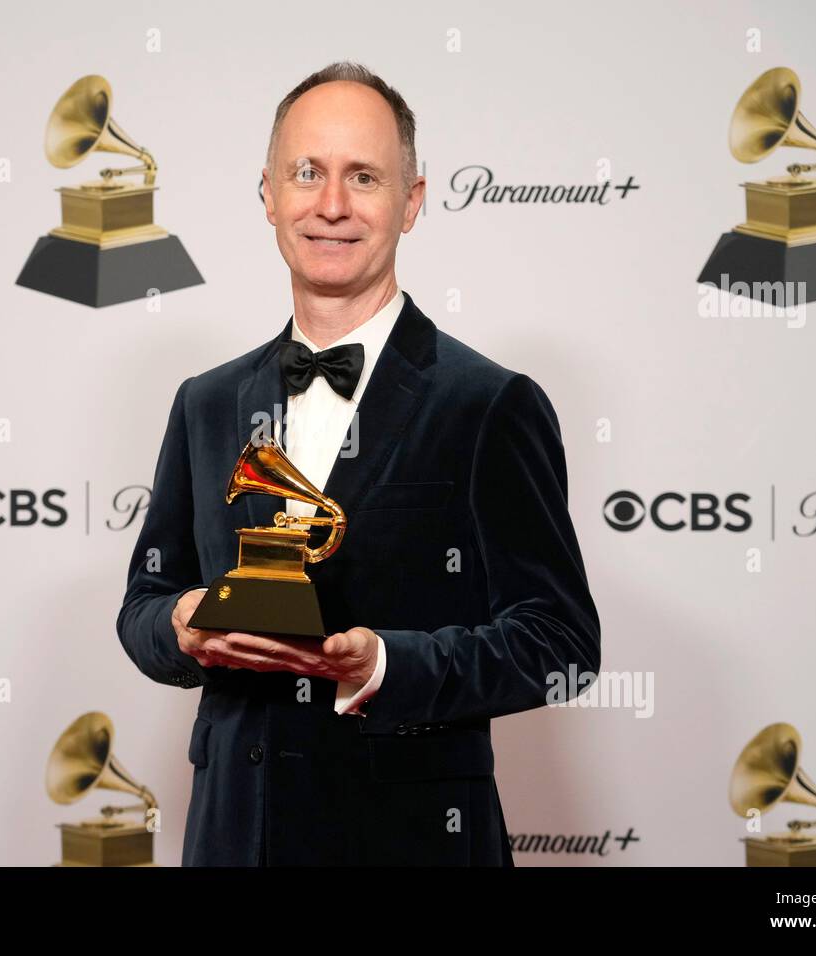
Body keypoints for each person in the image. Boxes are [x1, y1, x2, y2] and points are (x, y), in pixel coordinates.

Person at [116, 61, 600, 866]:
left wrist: (387, 663)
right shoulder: (204, 403)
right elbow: (144, 603)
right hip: (232, 837)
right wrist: (183, 623)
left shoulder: (491, 404)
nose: (331, 204)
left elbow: (561, 644)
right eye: (307, 173)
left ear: (411, 203)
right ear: (268, 194)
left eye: (364, 177)